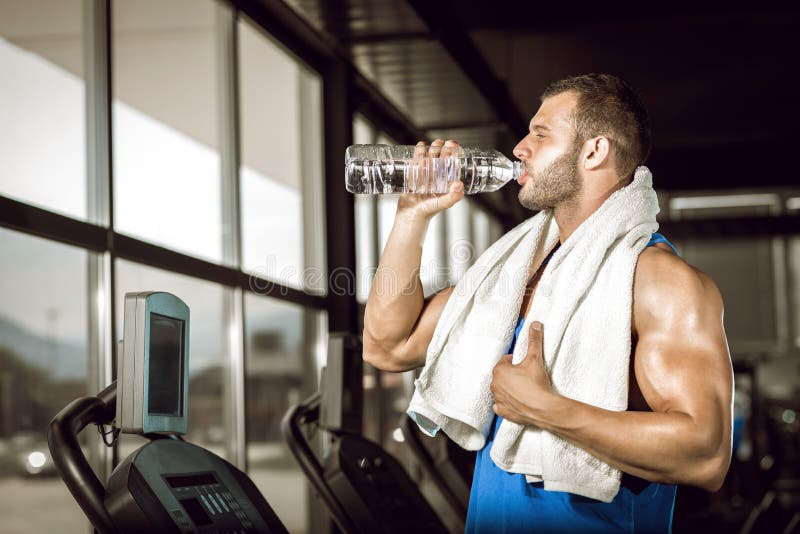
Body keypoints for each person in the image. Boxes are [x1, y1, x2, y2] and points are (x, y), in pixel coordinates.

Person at [362, 73, 733, 532]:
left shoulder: (660, 281)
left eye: (540, 134)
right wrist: (410, 217)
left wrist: (545, 408)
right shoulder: (513, 273)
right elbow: (387, 345)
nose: (520, 148)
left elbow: (705, 455)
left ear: (594, 151)